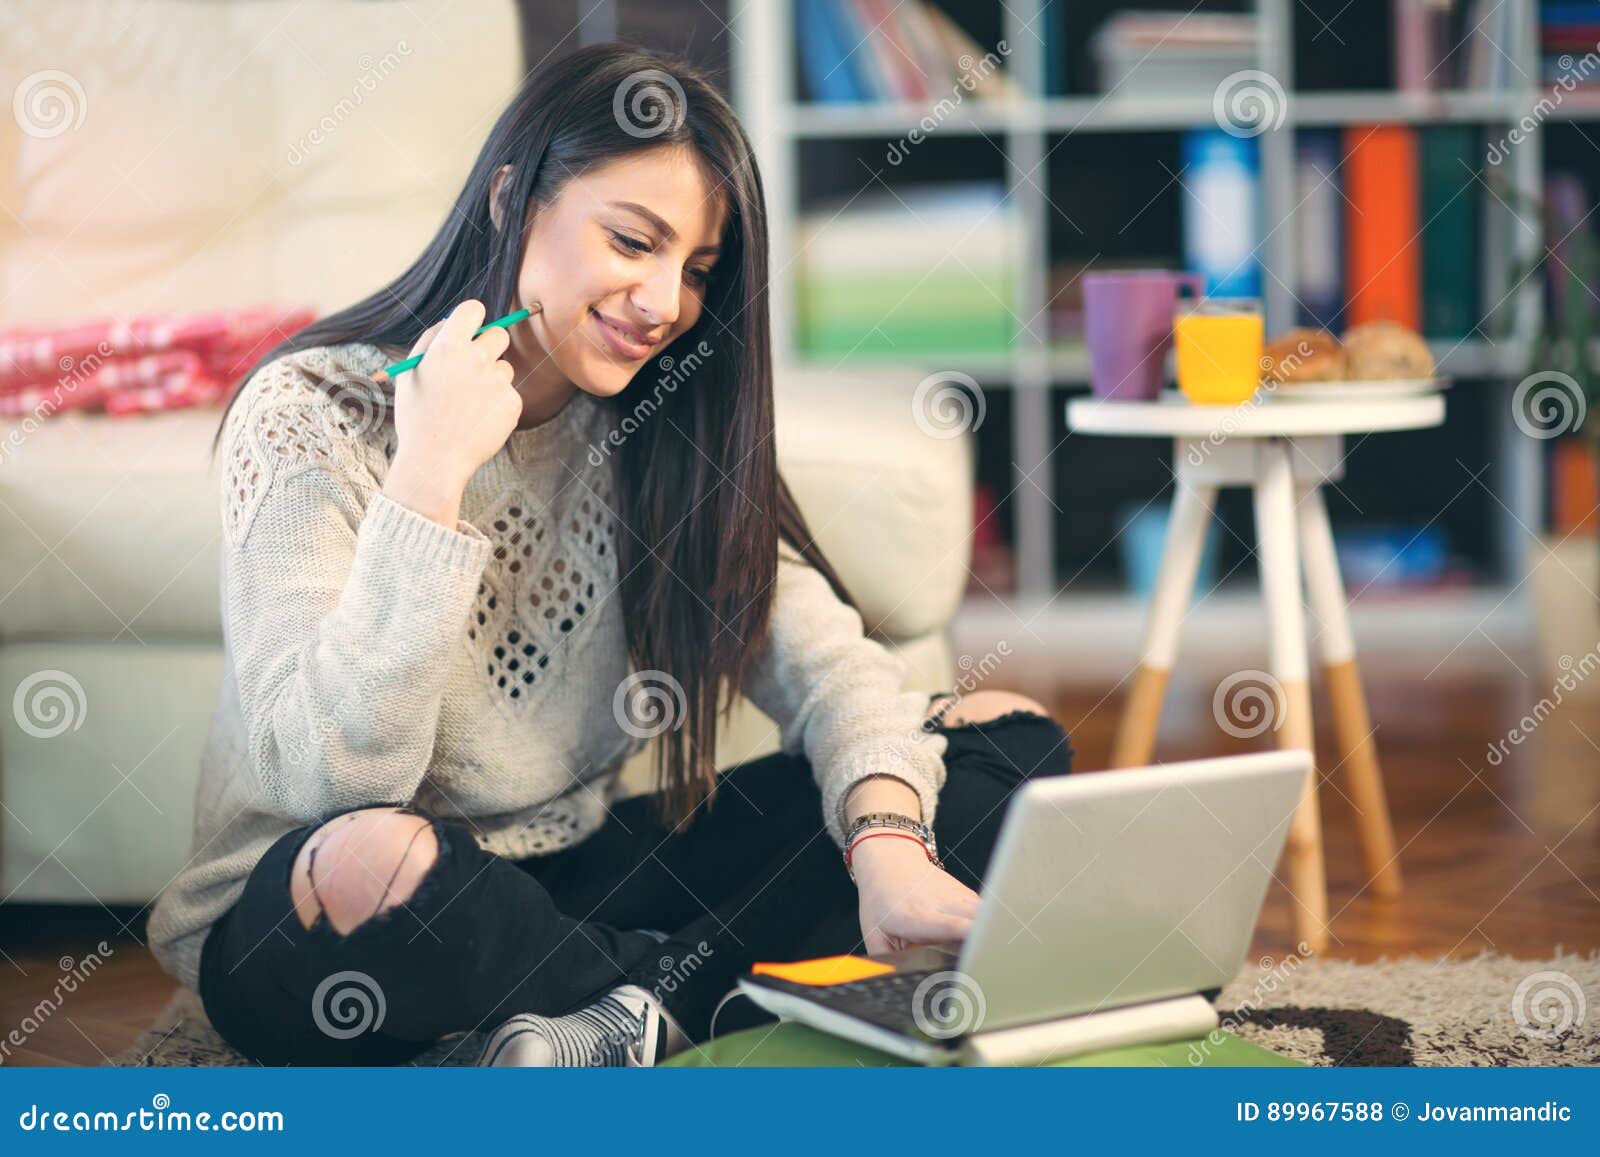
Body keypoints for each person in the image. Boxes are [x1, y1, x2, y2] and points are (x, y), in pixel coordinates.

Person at [145, 43, 1074, 1067]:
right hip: (334, 906)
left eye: (698, 271)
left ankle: (597, 1018)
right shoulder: (308, 417)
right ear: (512, 200)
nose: (664, 301)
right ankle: (717, 1002)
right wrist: (429, 477)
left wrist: (885, 846)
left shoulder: (656, 426)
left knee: (998, 742)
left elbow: (829, 667)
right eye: (633, 241)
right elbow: (336, 775)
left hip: (576, 875)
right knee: (374, 856)